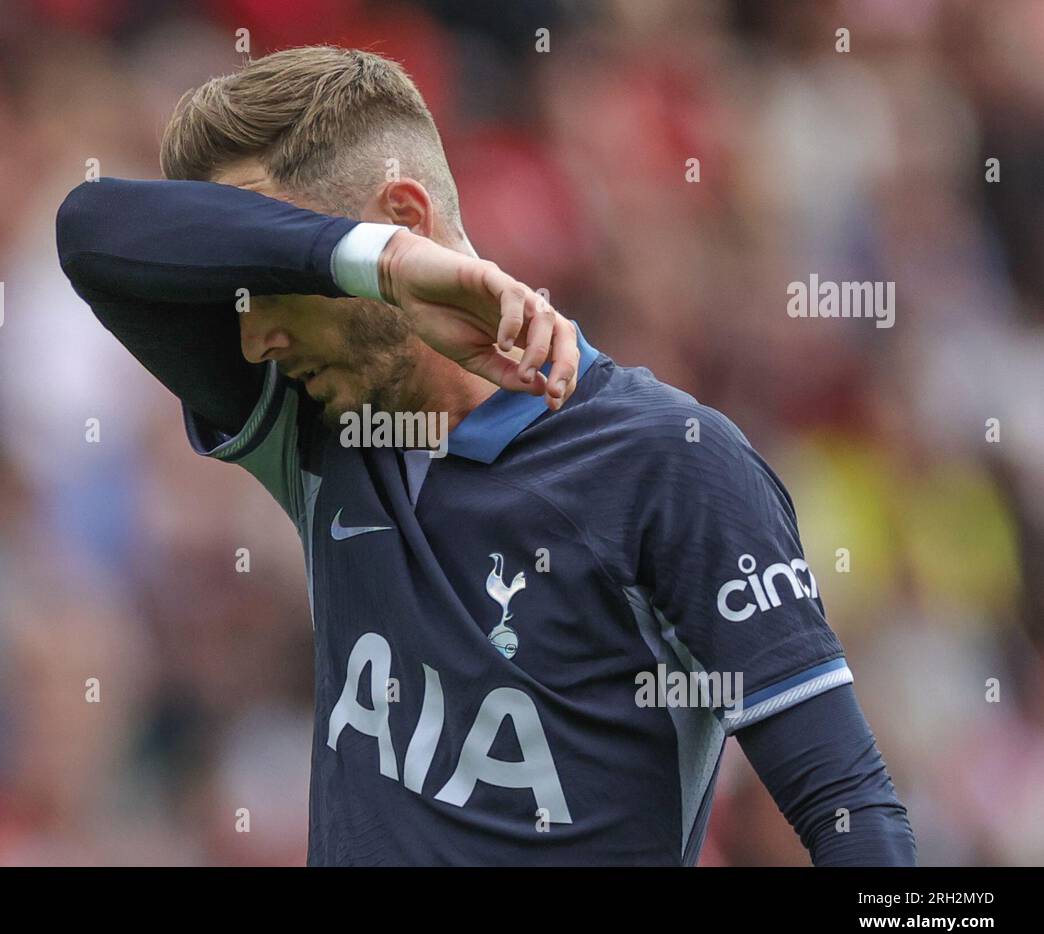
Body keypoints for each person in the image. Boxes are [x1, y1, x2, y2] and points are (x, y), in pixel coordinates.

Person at [56, 45, 915, 865]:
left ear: (406, 216)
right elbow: (90, 232)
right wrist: (377, 264)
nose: (251, 339)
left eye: (272, 282)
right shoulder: (319, 422)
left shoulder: (668, 463)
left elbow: (850, 809)